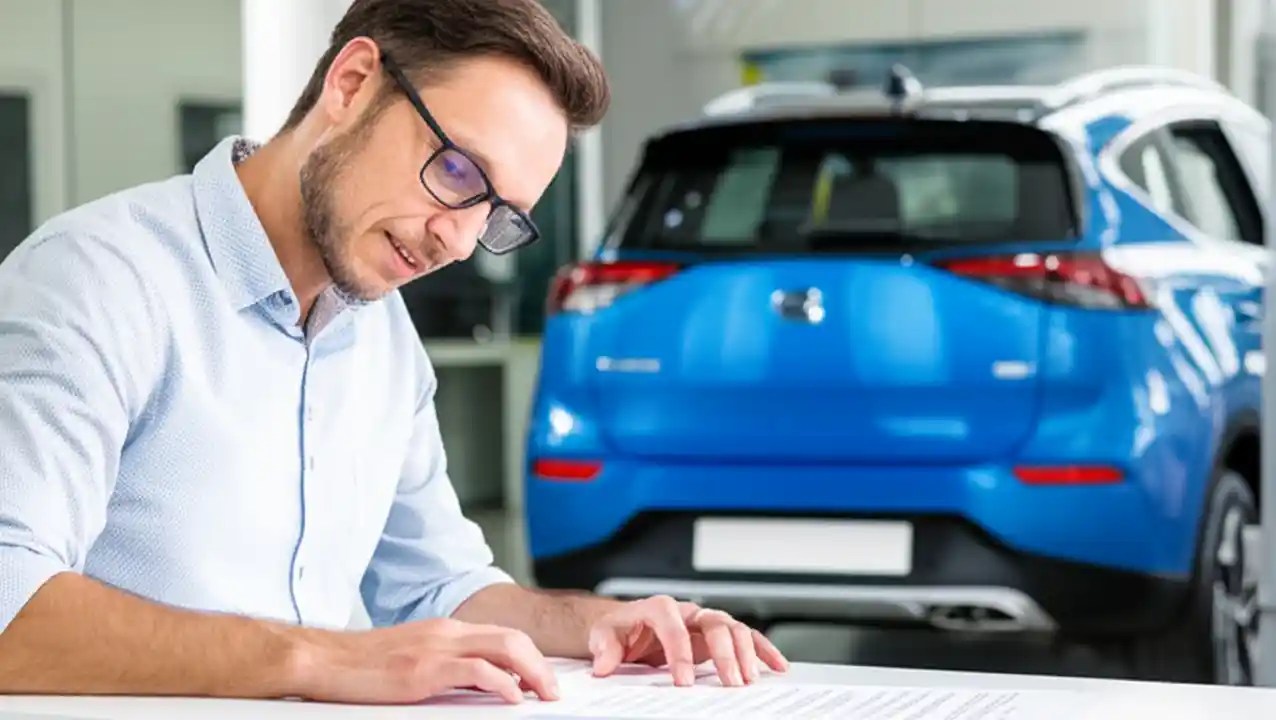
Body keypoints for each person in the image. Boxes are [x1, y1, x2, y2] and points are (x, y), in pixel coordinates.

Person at [0, 0, 787, 705]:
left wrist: (599, 624)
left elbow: (438, 585)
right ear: (351, 85)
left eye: (498, 216)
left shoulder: (379, 334)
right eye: (458, 171)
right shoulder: (98, 279)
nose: (459, 241)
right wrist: (325, 659)